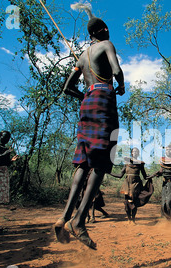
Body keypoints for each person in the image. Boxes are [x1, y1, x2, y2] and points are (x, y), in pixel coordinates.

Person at [53, 10, 125, 250]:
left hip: (87, 104)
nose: (108, 31)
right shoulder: (106, 45)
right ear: (101, 31)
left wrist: (85, 94)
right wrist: (121, 85)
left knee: (84, 163)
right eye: (105, 29)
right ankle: (79, 221)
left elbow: (67, 88)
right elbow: (115, 71)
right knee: (102, 162)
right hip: (104, 100)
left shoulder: (82, 58)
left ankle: (63, 217)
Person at [110, 147, 151, 224]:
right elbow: (120, 175)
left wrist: (153, 175)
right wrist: (109, 172)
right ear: (131, 153)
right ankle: (129, 219)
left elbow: (145, 176)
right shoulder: (127, 163)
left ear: (138, 154)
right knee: (127, 202)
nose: (135, 153)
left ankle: (133, 219)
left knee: (134, 202)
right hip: (127, 185)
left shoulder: (140, 164)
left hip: (136, 184)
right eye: (133, 151)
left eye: (136, 152)